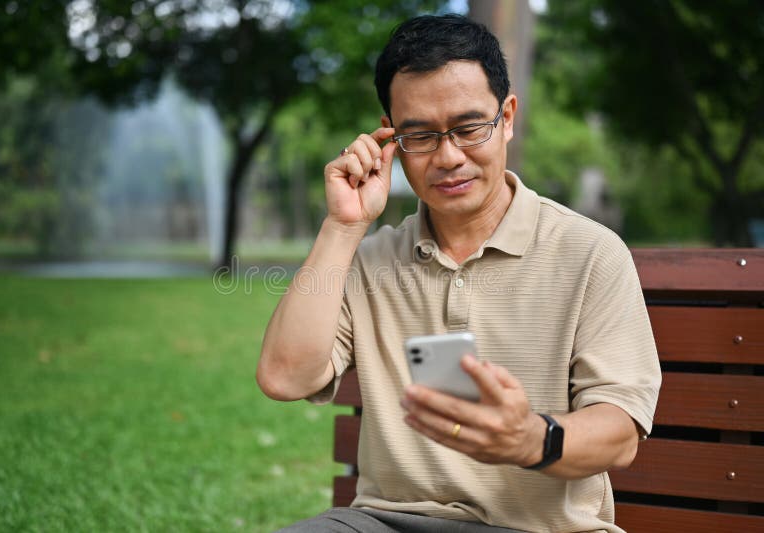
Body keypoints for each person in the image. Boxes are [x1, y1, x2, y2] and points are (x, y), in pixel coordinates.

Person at [258, 13, 661, 533]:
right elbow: (285, 377)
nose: (448, 157)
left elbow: (620, 433)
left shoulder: (590, 253)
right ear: (391, 138)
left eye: (469, 128)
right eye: (420, 136)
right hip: (385, 522)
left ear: (508, 116)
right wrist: (343, 225)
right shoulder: (373, 257)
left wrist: (530, 438)